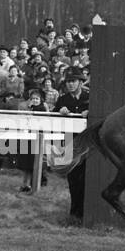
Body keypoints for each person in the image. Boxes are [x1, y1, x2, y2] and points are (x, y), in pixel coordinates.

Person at [54, 66, 90, 219]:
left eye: (73, 81)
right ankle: (74, 213)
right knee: (73, 177)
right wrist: (59, 112)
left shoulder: (90, 97)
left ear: (80, 82)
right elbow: (53, 118)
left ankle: (85, 212)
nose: (70, 84)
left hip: (87, 142)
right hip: (69, 141)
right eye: (68, 82)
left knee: (86, 177)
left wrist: (90, 113)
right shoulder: (62, 100)